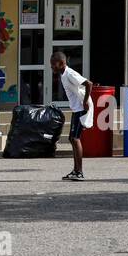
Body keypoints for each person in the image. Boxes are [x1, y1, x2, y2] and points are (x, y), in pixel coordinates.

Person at [51, 50, 93, 181]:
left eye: (53, 64)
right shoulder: (64, 75)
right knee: (72, 138)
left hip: (81, 108)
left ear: (62, 63)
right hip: (76, 109)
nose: (52, 67)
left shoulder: (70, 74)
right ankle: (76, 170)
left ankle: (79, 172)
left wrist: (85, 101)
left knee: (75, 139)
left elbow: (89, 83)